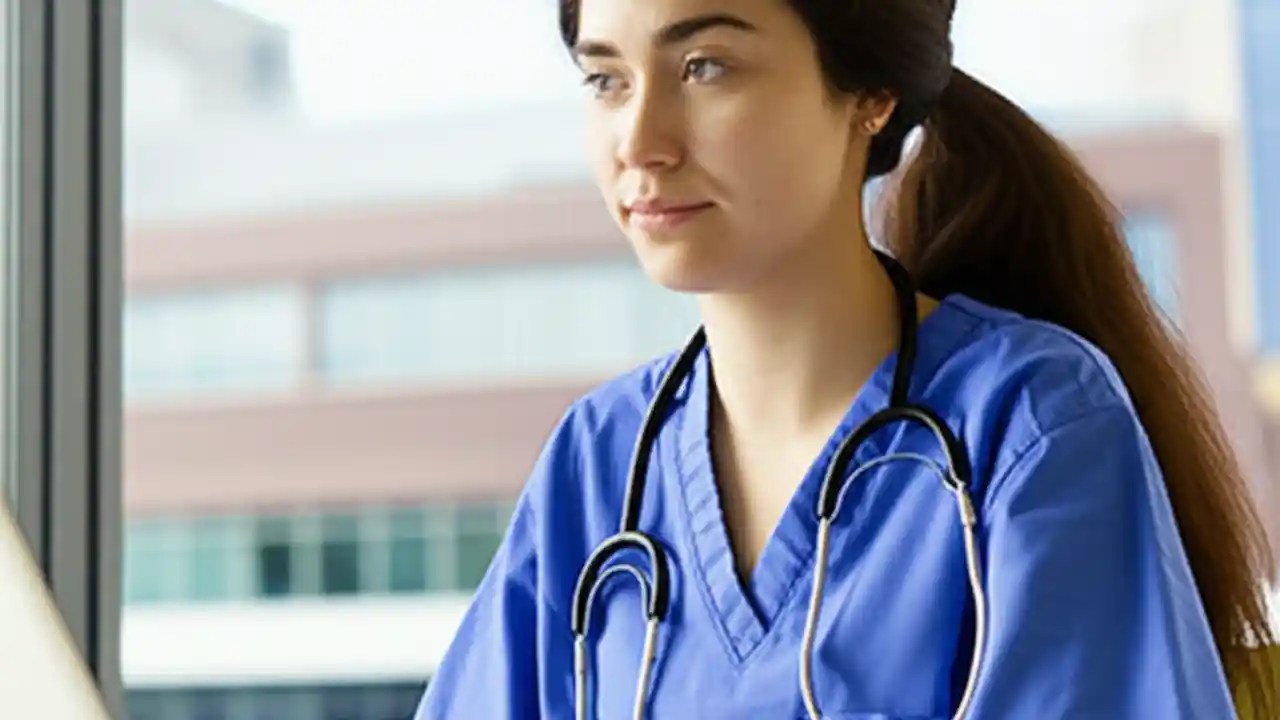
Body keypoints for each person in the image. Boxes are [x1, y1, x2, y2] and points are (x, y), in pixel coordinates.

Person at [416, 0, 1278, 717]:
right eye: (606, 79)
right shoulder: (601, 463)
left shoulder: (1029, 422)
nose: (640, 141)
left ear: (869, 91)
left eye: (705, 66)